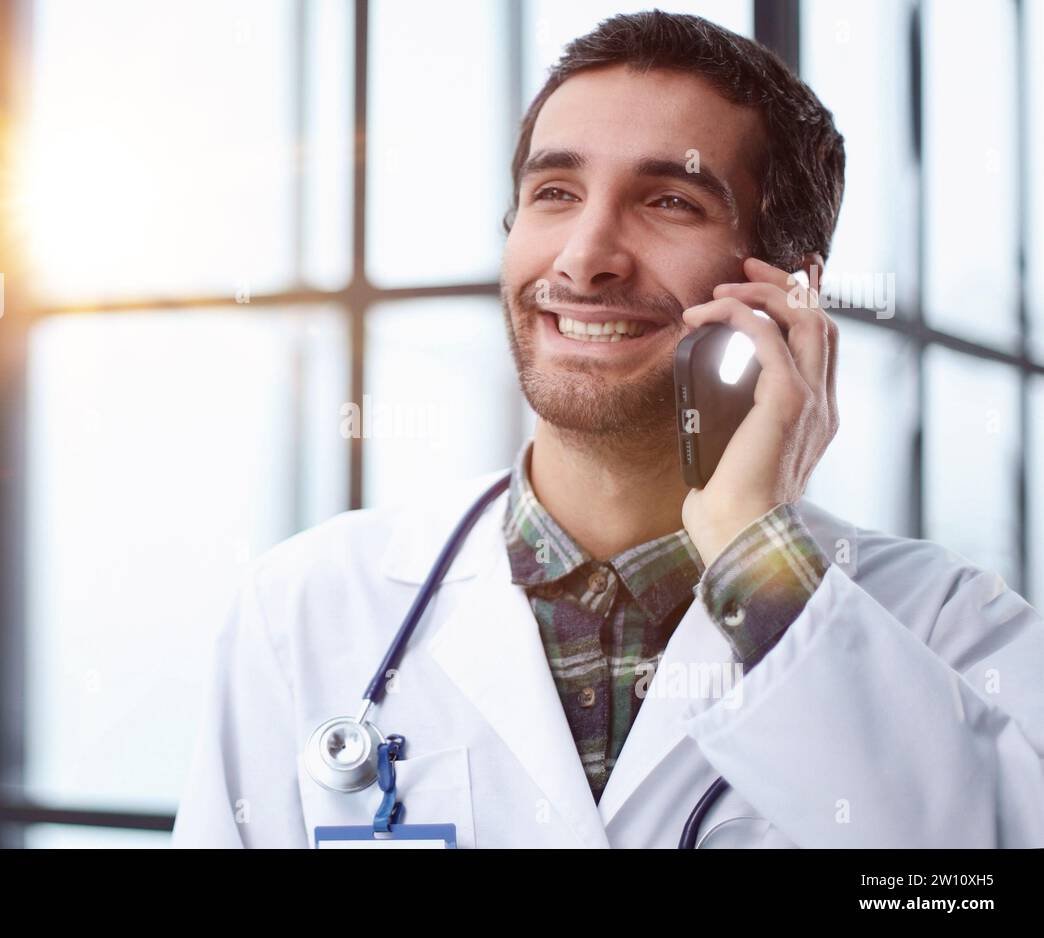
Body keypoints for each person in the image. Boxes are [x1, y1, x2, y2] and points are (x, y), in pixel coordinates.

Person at [171, 11, 1044, 848]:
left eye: (669, 201)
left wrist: (755, 557)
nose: (585, 256)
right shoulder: (306, 610)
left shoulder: (950, 629)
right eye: (555, 192)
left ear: (790, 291)